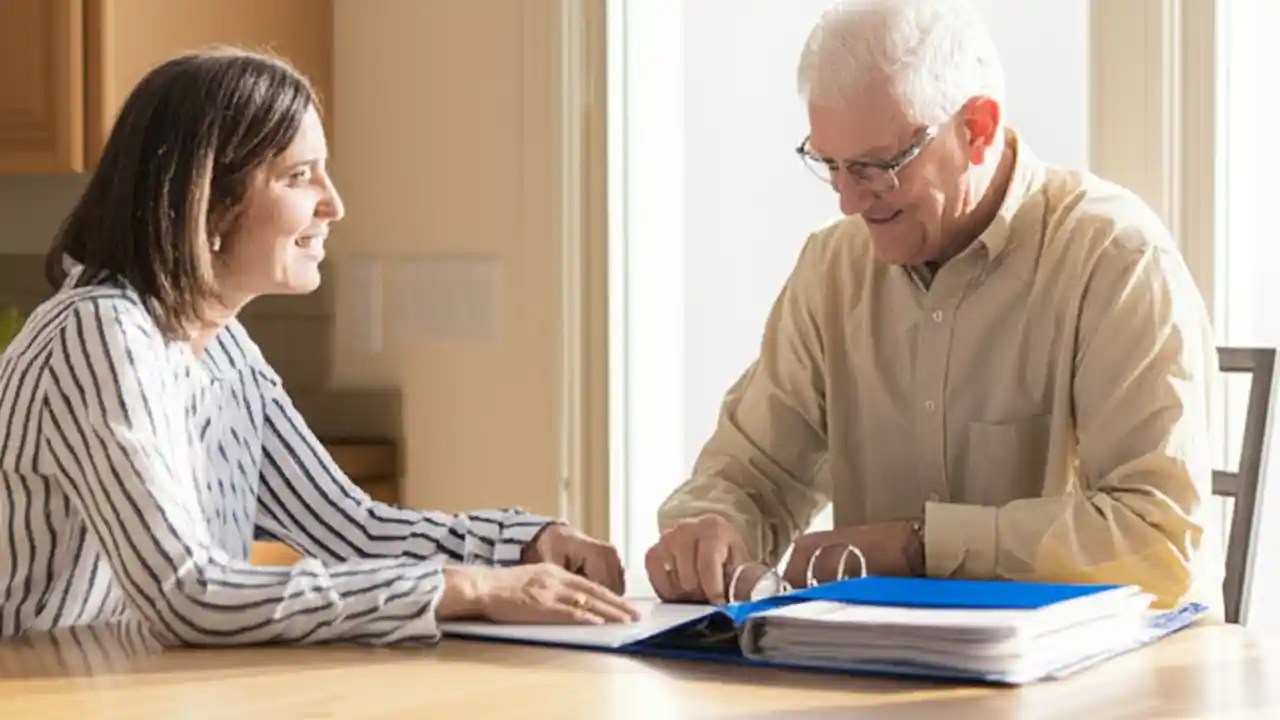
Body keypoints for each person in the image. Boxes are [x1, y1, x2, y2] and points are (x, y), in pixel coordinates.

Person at [0, 48, 637, 646]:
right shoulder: (99, 335)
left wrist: (524, 546)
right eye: (300, 176)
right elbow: (187, 594)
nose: (334, 204)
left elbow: (347, 526)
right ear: (209, 203)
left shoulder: (221, 349)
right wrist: (465, 586)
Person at [647, 0, 1220, 610]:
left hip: (1098, 692)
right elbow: (750, 473)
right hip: (878, 682)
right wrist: (712, 528)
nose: (847, 201)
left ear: (977, 128)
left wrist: (920, 547)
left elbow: (1158, 540)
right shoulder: (833, 269)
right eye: (831, 165)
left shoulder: (1116, 259)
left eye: (876, 167)